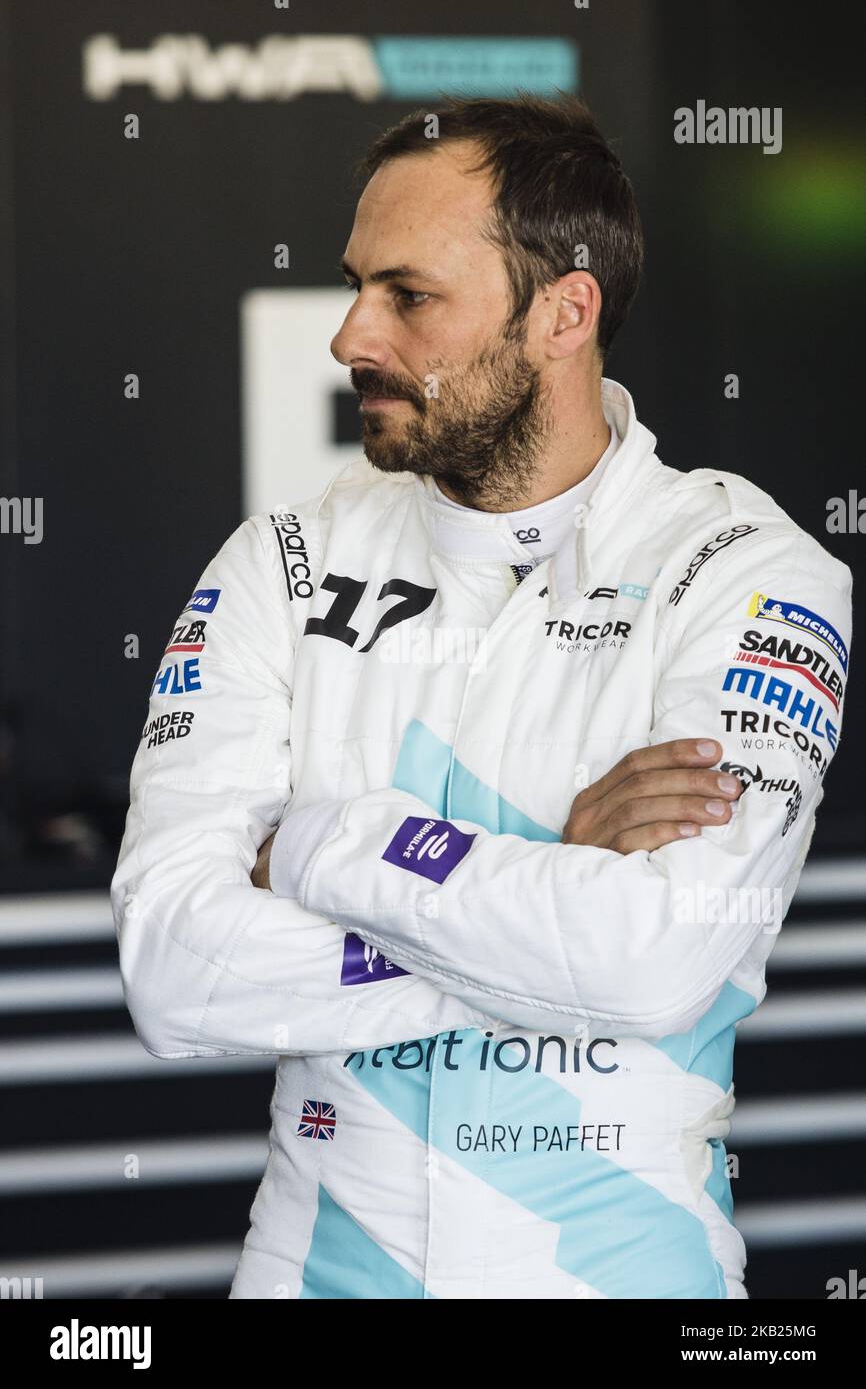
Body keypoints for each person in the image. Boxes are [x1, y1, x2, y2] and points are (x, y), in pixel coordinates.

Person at [111, 95, 852, 1300]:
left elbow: (653, 964)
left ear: (563, 312)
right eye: (357, 285)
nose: (350, 333)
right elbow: (174, 968)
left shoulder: (744, 569)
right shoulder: (280, 562)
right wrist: (544, 875)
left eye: (408, 296)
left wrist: (318, 843)